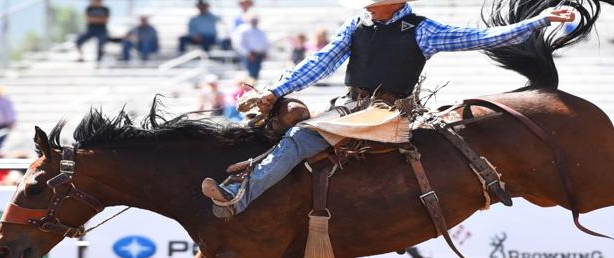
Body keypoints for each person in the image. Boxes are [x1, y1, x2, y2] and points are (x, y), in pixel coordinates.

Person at [202, 0, 579, 217]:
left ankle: (239, 196)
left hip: (390, 115)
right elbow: (321, 62)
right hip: (352, 109)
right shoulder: (357, 25)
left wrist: (539, 20)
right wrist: (277, 90)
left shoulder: (421, 29)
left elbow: (480, 37)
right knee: (285, 125)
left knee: (302, 135)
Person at [234, 14, 270, 79]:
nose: (255, 21)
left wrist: (265, 52)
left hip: (259, 54)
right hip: (248, 56)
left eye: (256, 20)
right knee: (250, 74)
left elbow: (265, 43)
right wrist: (248, 53)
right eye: (253, 19)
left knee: (256, 74)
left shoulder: (260, 30)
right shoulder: (243, 30)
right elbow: (239, 44)